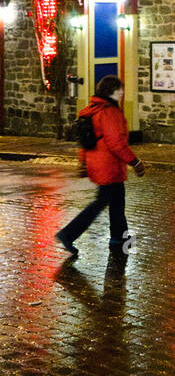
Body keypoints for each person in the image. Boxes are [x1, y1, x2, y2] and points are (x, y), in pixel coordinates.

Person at [55, 75, 145, 264]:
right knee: (102, 202)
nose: (122, 92)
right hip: (109, 165)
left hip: (98, 163)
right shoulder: (109, 112)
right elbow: (116, 143)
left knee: (117, 201)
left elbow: (85, 141)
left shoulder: (91, 111)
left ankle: (119, 238)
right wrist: (135, 162)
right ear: (112, 91)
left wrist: (83, 164)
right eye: (119, 89)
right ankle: (68, 234)